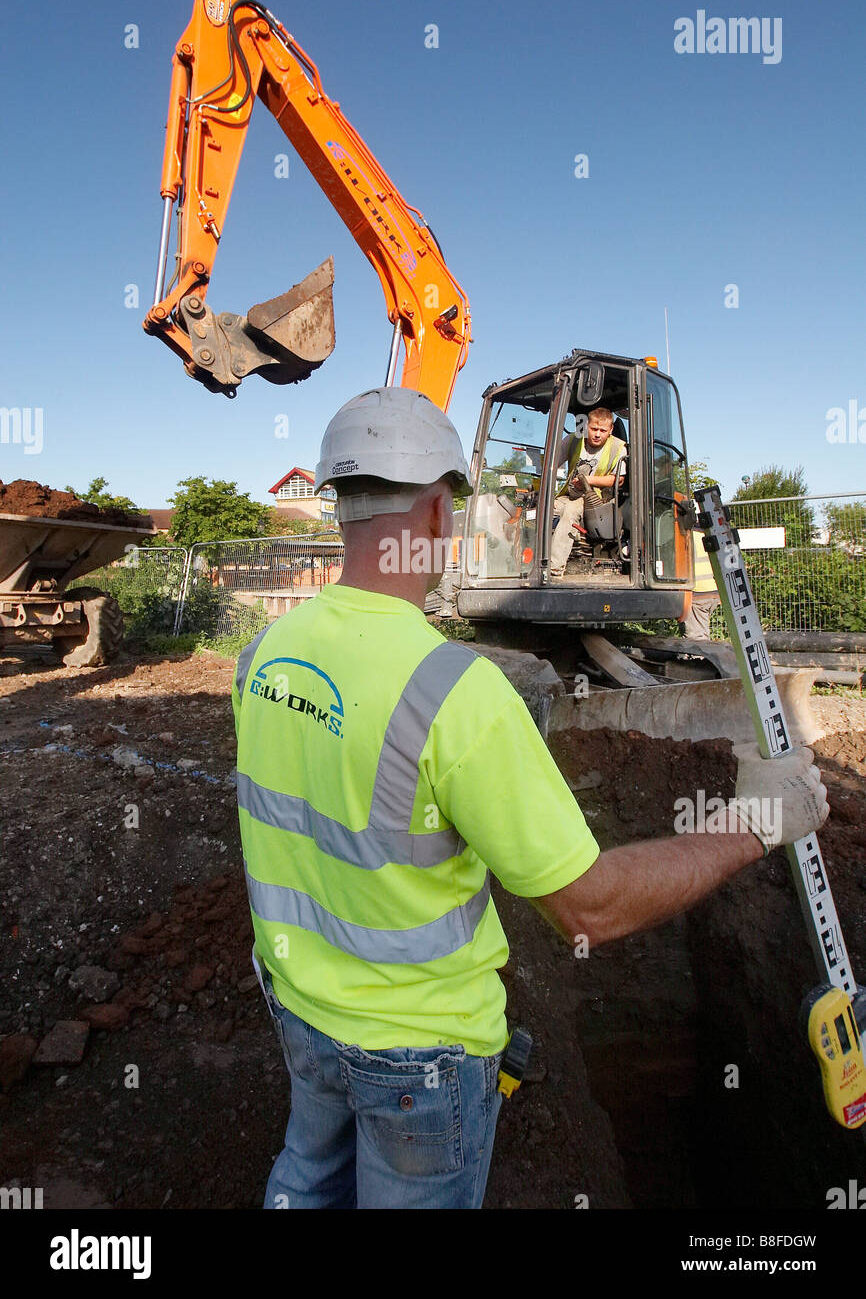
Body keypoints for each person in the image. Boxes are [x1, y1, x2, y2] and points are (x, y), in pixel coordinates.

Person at [231, 385, 829, 1211]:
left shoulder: (262, 655)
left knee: (306, 1177)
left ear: (338, 502)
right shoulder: (454, 693)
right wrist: (755, 822)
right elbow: (588, 910)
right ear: (440, 515)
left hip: (300, 1007)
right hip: (418, 1054)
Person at [550, 407, 626, 578]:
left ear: (611, 430)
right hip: (569, 494)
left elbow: (618, 479)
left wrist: (588, 480)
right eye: (594, 429)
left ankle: (554, 569)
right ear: (586, 426)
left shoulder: (618, 447)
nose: (598, 434)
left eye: (603, 430)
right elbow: (552, 464)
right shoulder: (572, 440)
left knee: (570, 512)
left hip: (598, 499)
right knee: (542, 511)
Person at [683, 526, 722, 639]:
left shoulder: (688, 535)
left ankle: (702, 656)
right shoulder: (709, 533)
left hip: (698, 593)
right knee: (698, 630)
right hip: (713, 591)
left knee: (697, 637)